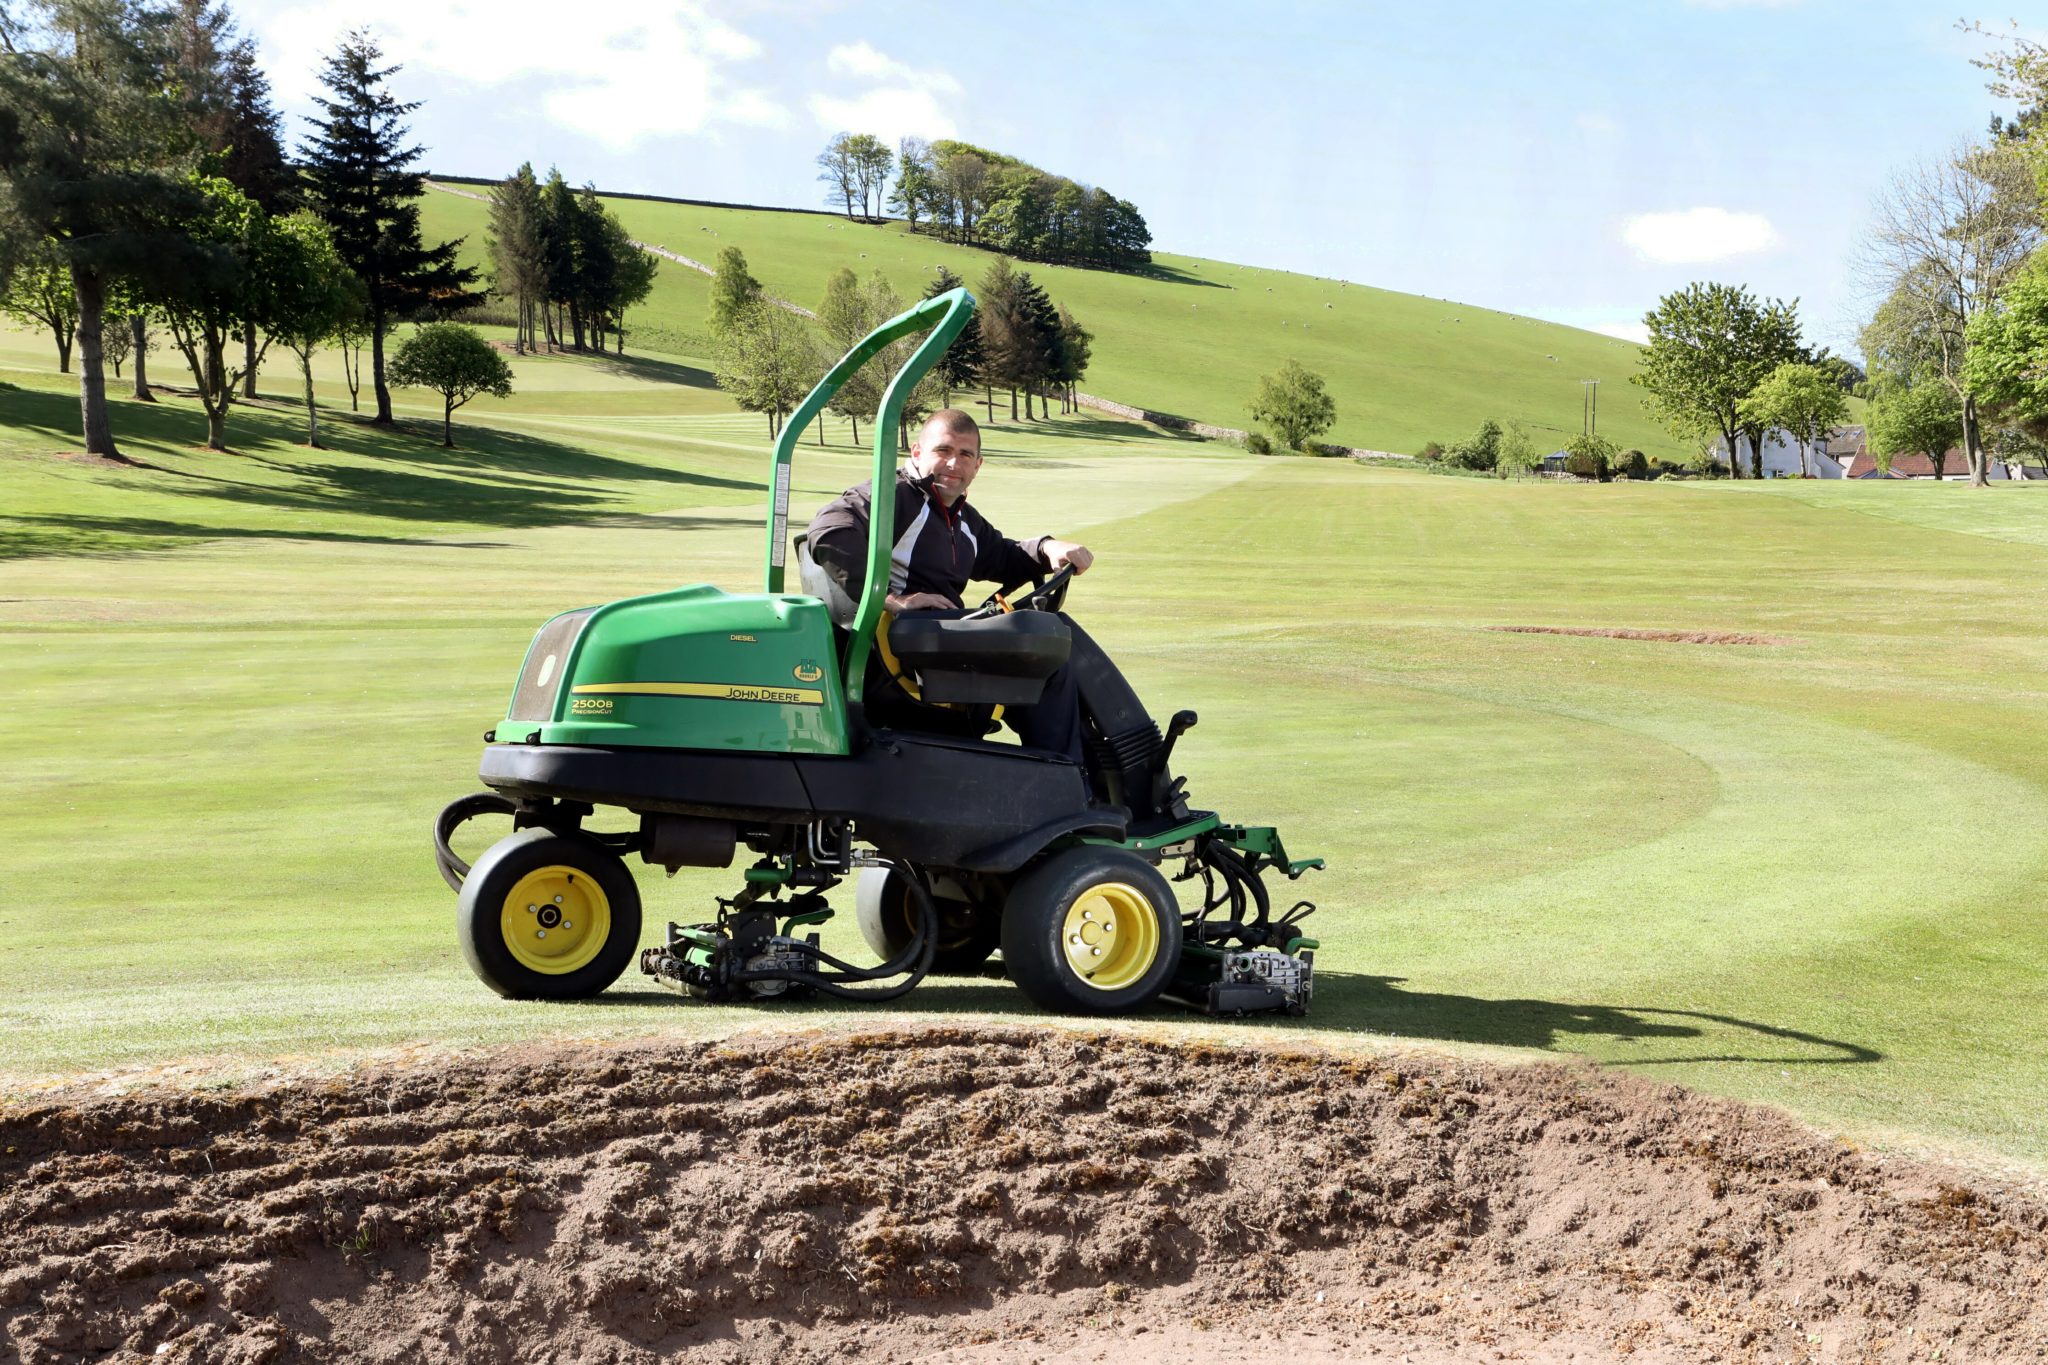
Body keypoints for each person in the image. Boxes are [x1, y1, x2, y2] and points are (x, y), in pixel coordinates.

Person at [806, 408, 1093, 759]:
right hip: (905, 659)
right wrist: (893, 599)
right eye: (943, 451)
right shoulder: (893, 497)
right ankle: (1071, 785)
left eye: (965, 455)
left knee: (1056, 637)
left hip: (932, 647)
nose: (953, 464)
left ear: (978, 465)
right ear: (917, 452)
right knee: (1048, 667)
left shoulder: (958, 517)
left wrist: (1047, 547)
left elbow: (1001, 556)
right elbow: (827, 530)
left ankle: (1074, 776)